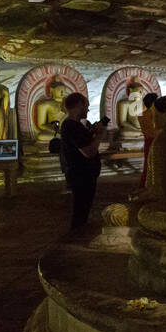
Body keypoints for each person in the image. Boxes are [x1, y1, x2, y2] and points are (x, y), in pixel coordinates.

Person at [59, 92, 105, 230]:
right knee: (80, 208)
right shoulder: (70, 126)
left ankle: (80, 230)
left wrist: (92, 132)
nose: (88, 109)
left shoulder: (77, 125)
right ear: (79, 105)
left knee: (83, 208)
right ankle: (76, 235)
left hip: (85, 174)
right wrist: (100, 135)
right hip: (81, 175)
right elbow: (89, 152)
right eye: (86, 106)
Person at [137, 92, 158, 189]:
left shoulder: (141, 115)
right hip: (157, 141)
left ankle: (144, 184)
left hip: (147, 141)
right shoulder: (157, 115)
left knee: (147, 165)